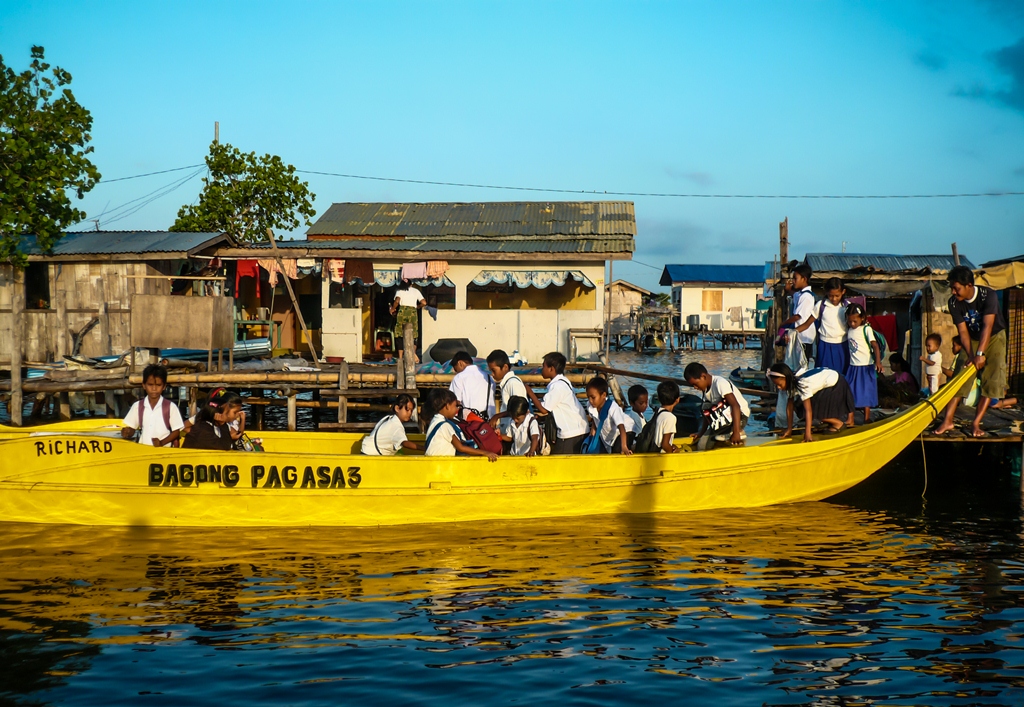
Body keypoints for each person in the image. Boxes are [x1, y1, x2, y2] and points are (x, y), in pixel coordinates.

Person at [933, 265, 1009, 437]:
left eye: (956, 288)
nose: (953, 292)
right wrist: (971, 355)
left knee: (991, 379)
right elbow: (963, 332)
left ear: (969, 285)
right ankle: (948, 420)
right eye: (952, 288)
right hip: (972, 338)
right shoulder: (953, 303)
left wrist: (980, 355)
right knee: (961, 374)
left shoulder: (987, 295)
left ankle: (976, 423)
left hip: (995, 336)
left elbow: (988, 326)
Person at [769, 363, 855, 442]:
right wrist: (789, 429)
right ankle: (829, 421)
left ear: (786, 379)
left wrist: (807, 434)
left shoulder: (803, 384)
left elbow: (808, 410)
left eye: (779, 384)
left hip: (836, 383)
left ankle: (838, 423)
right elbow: (789, 407)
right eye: (776, 385)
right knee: (798, 407)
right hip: (823, 385)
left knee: (812, 410)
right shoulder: (791, 383)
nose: (778, 388)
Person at [524, 351, 589, 454]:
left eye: (543, 366)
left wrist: (529, 392)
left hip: (570, 434)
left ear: (551, 369)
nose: (542, 369)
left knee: (560, 463)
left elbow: (543, 409)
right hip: (579, 430)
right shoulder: (564, 382)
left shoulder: (557, 387)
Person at [683, 362, 749, 448]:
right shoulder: (706, 391)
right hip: (724, 417)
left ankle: (737, 431)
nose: (695, 387)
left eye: (695, 384)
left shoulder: (720, 383)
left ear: (703, 377)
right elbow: (707, 413)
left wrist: (736, 432)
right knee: (703, 443)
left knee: (707, 444)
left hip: (740, 415)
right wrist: (701, 433)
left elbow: (735, 405)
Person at [121, 364, 184, 447]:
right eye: (150, 385)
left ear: (164, 386)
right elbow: (133, 428)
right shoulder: (138, 406)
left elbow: (176, 432)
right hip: (143, 451)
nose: (154, 389)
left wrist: (161, 443)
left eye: (158, 385)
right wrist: (127, 432)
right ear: (144, 385)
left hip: (164, 453)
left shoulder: (170, 407)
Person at [424, 389, 498, 461]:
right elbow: (460, 447)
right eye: (455, 406)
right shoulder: (445, 425)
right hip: (442, 466)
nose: (456, 409)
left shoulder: (434, 421)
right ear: (447, 406)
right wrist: (485, 452)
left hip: (433, 464)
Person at [845, 304, 884, 422]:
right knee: (850, 392)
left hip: (866, 366)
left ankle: (866, 417)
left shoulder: (866, 329)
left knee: (866, 392)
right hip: (853, 367)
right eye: (850, 321)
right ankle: (850, 418)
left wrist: (878, 362)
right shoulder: (850, 330)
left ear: (862, 318)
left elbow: (875, 345)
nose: (852, 324)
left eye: (855, 321)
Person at [582, 377, 633, 455]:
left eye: (593, 397)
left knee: (617, 451)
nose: (590, 401)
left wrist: (624, 446)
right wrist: (592, 435)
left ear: (604, 395)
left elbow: (621, 427)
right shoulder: (590, 406)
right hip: (609, 437)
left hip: (625, 432)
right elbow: (595, 421)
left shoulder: (613, 408)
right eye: (588, 397)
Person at [779, 263, 817, 366]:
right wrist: (788, 289)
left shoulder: (806, 297)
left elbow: (797, 316)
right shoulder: (800, 294)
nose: (793, 281)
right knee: (796, 363)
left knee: (802, 364)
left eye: (795, 278)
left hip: (804, 335)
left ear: (804, 279)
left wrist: (783, 324)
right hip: (799, 334)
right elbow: (794, 295)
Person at [486, 349, 528, 439]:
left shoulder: (513, 383)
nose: (492, 374)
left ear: (505, 367)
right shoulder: (507, 384)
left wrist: (497, 416)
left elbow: (520, 409)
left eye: (494, 370)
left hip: (516, 436)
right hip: (508, 432)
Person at [816, 277, 849, 374]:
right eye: (831, 296)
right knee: (823, 375)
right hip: (824, 346)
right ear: (826, 292)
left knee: (842, 375)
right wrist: (793, 331)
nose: (834, 299)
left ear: (843, 292)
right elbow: (807, 324)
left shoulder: (847, 307)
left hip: (843, 346)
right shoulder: (821, 305)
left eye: (837, 296)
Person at [449, 351, 496, 418]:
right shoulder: (489, 377)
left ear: (460, 363)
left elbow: (455, 402)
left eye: (456, 369)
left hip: (469, 422)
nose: (456, 372)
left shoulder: (459, 377)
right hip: (487, 421)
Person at [390, 279, 426, 356]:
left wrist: (393, 309)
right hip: (413, 313)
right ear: (411, 284)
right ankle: (413, 354)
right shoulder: (416, 291)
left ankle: (400, 356)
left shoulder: (400, 291)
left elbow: (397, 301)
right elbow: (424, 302)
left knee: (400, 333)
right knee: (414, 332)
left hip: (402, 312)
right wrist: (418, 306)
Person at [653, 381, 681, 453]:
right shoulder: (670, 417)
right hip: (662, 455)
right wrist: (672, 453)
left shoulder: (658, 412)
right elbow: (665, 445)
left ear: (658, 398)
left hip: (654, 450)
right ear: (677, 399)